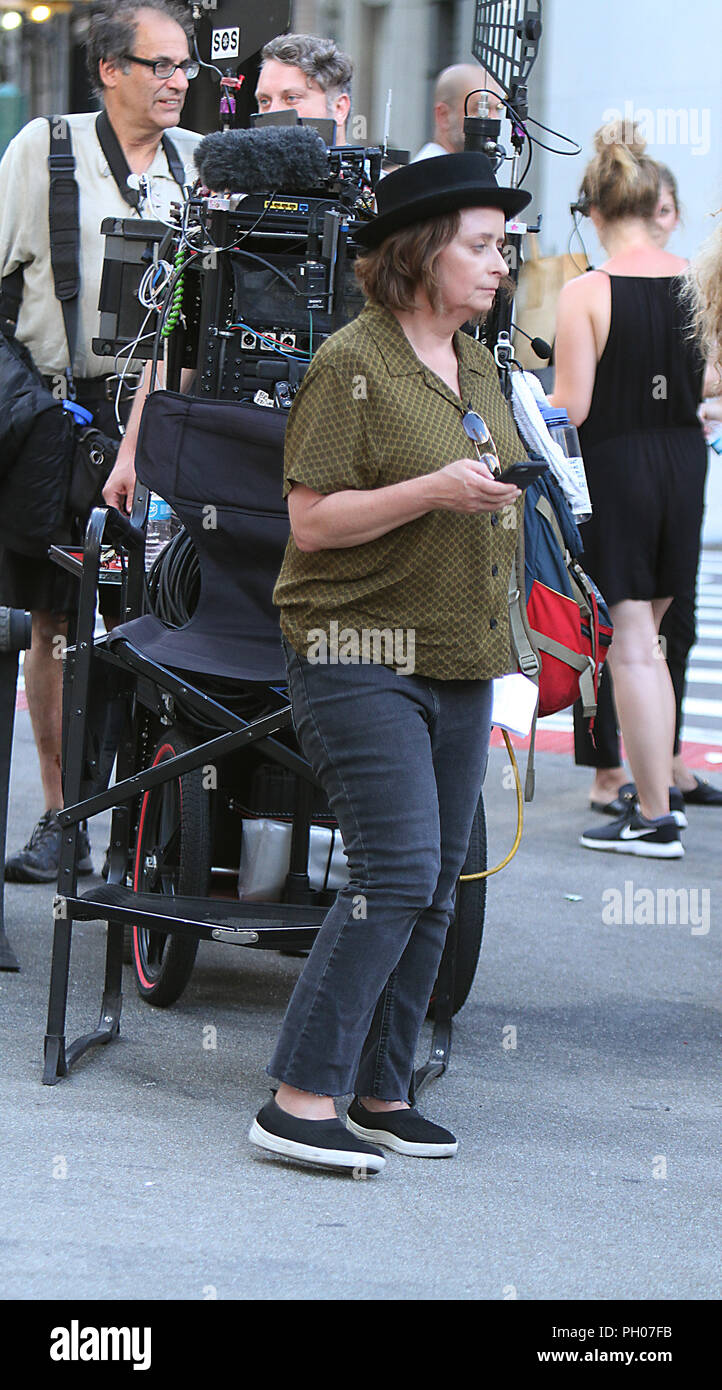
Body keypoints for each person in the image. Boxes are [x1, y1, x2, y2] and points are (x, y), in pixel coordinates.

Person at [248, 152, 530, 1175]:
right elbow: (311, 523)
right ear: (422, 254)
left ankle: (379, 1088)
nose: (500, 262)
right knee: (397, 870)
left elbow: (489, 471)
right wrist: (434, 492)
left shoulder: (481, 362)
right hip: (355, 648)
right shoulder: (349, 362)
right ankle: (296, 1099)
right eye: (481, 244)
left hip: (457, 650)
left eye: (502, 245)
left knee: (439, 883)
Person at [0, 0, 201, 883]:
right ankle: (60, 819)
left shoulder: (202, 167)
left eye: (186, 66)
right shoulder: (43, 151)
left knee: (157, 618)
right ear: (111, 70)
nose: (177, 81)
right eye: (159, 65)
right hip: (66, 414)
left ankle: (138, 825)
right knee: (56, 618)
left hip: (172, 423)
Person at [103, 31, 354, 516]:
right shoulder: (224, 216)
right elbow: (178, 342)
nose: (275, 113)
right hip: (232, 453)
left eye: (292, 98)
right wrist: (133, 454)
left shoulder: (375, 211)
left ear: (339, 108)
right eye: (263, 100)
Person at [551, 124, 710, 858]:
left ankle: (653, 814)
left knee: (634, 647)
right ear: (654, 205)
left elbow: (572, 407)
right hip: (685, 460)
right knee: (653, 638)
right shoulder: (694, 279)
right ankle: (658, 796)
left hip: (619, 464)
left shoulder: (586, 291)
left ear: (594, 211)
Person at [413, 63, 506, 161]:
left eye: (498, 109)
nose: (494, 118)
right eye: (480, 109)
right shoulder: (429, 172)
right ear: (443, 116)